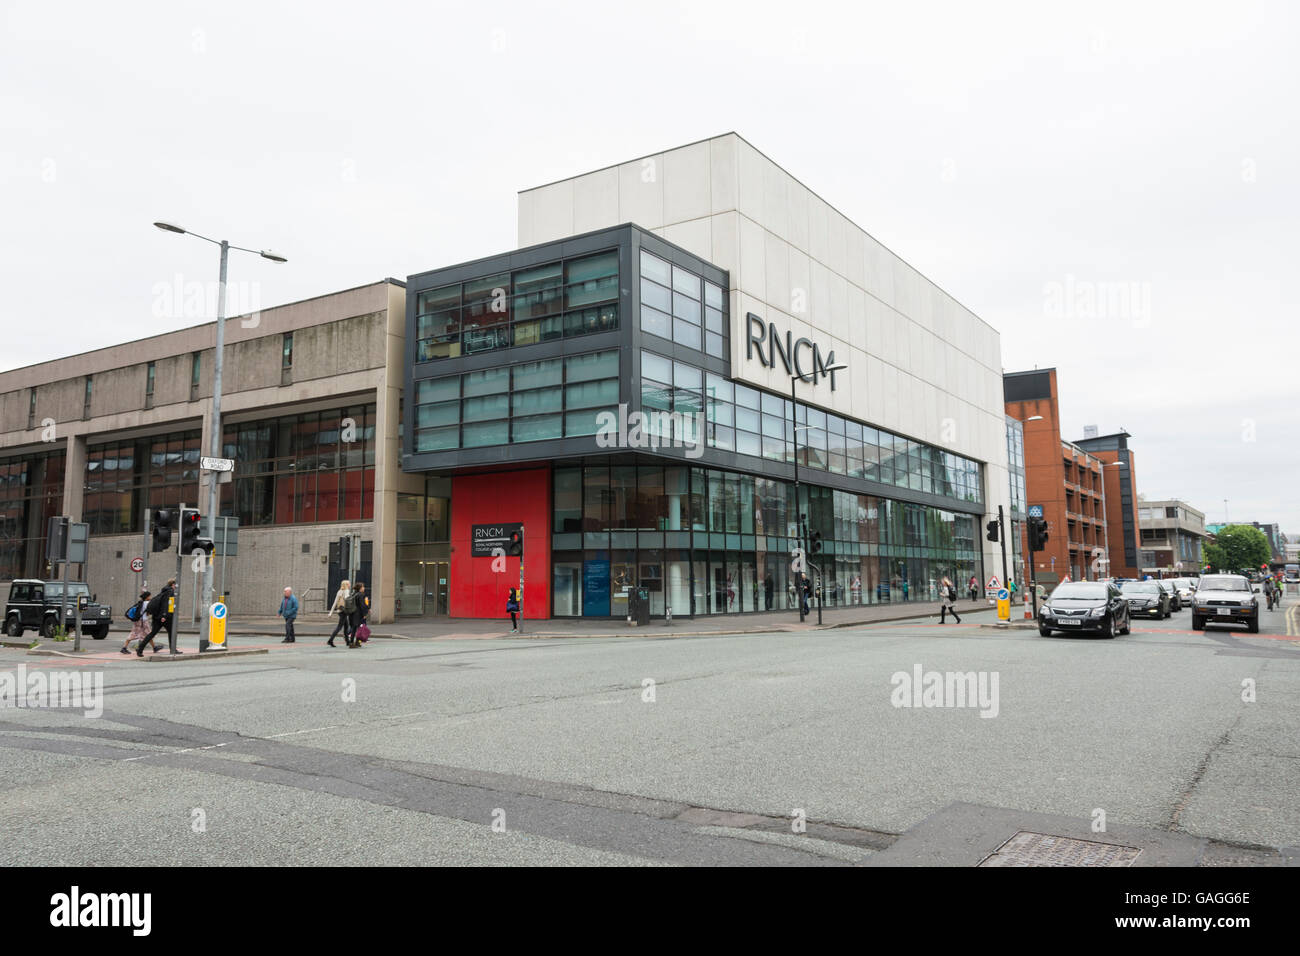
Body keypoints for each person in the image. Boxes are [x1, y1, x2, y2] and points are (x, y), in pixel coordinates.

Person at [137, 579, 175, 657]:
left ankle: (140, 649)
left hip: (156, 616)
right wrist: (164, 615)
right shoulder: (170, 592)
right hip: (165, 617)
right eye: (176, 585)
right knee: (171, 633)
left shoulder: (163, 591)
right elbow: (166, 604)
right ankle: (173, 649)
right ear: (173, 584)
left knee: (152, 633)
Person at [120, 589, 151, 654]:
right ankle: (136, 648)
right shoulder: (147, 603)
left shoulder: (140, 602)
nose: (150, 597)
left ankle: (125, 648)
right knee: (148, 634)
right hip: (143, 621)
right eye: (149, 596)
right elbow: (148, 613)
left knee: (139, 634)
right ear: (147, 597)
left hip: (138, 620)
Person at [327, 579, 354, 647]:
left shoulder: (339, 591)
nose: (350, 585)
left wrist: (331, 612)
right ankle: (330, 640)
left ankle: (347, 642)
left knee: (346, 626)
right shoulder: (346, 591)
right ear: (347, 585)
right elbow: (347, 600)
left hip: (339, 611)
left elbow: (335, 602)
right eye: (349, 584)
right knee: (339, 627)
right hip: (344, 611)